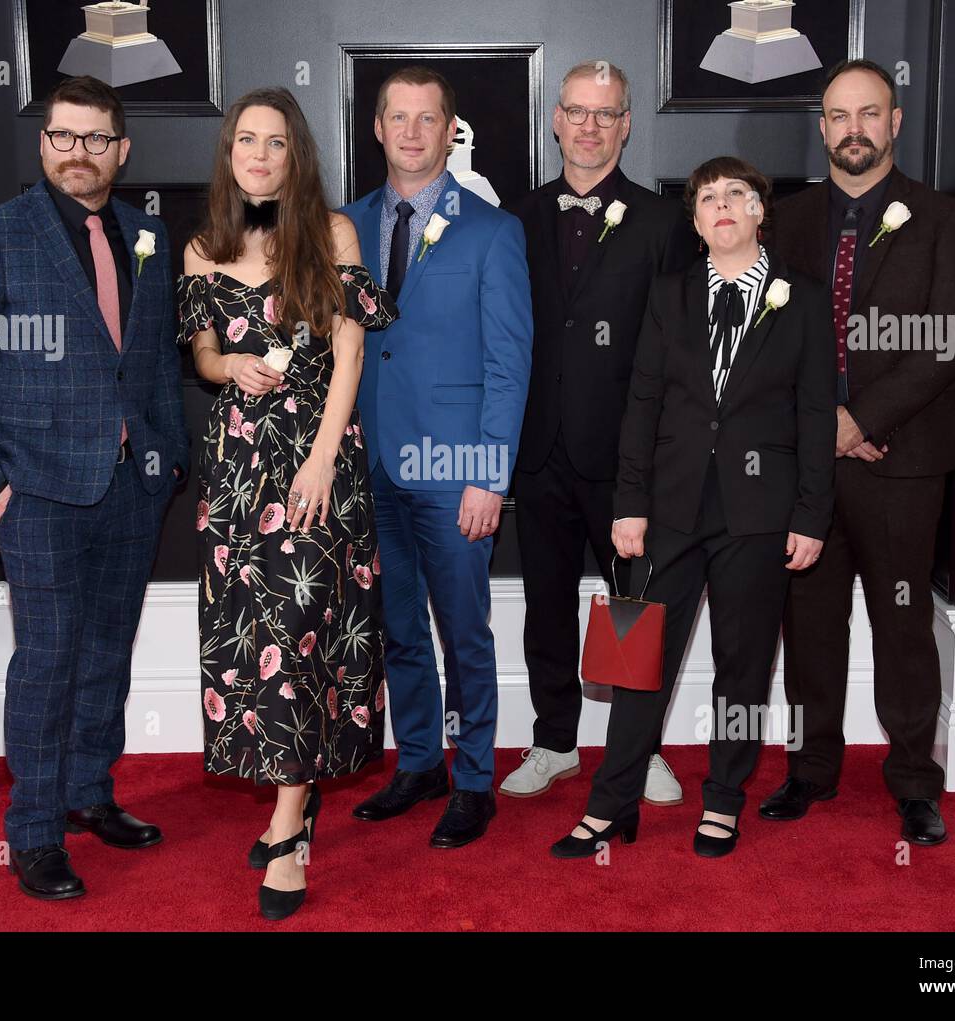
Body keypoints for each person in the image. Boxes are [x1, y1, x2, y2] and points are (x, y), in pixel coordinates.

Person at [0, 76, 190, 900]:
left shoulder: (148, 234)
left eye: (97, 139)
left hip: (130, 489)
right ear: (43, 144)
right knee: (46, 661)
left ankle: (88, 792)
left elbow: (150, 367)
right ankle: (34, 831)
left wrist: (166, 460)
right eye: (64, 137)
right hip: (34, 492)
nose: (80, 153)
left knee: (108, 650)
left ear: (122, 150)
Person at [551, 156, 836, 860]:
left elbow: (814, 414)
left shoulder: (803, 297)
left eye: (737, 193)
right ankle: (611, 803)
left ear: (760, 210)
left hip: (760, 512)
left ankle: (724, 800)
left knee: (742, 664)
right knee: (636, 659)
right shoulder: (669, 293)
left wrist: (810, 513)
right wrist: (628, 503)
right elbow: (643, 401)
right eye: (708, 197)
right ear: (698, 219)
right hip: (667, 510)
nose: (723, 205)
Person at [178, 87, 398, 921]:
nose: (260, 154)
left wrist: (318, 463)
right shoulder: (203, 247)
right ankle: (293, 801)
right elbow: (201, 354)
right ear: (229, 151)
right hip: (236, 472)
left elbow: (349, 359)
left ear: (295, 154)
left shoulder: (332, 234)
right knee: (250, 638)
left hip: (317, 465)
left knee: (300, 638)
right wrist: (228, 369)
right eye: (246, 140)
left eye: (275, 141)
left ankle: (285, 829)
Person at [761, 59, 955, 846]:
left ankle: (916, 782)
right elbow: (765, 337)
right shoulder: (782, 222)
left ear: (894, 123)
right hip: (808, 466)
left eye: (869, 114)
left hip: (902, 463)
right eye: (838, 116)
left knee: (902, 626)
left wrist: (857, 419)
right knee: (810, 625)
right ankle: (810, 770)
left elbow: (948, 339)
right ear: (822, 128)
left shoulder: (944, 219)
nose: (853, 129)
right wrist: (815, 425)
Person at [340, 66, 532, 849]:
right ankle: (418, 761)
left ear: (450, 131)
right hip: (370, 465)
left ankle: (476, 778)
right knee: (396, 629)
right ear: (377, 129)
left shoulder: (492, 230)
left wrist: (491, 473)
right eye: (399, 118)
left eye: (430, 119)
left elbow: (508, 362)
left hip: (456, 472)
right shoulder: (342, 225)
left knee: (463, 629)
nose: (414, 132)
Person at [502, 58, 694, 804]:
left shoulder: (665, 224)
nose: (589, 126)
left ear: (626, 125)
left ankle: (633, 746)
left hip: (626, 460)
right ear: (556, 119)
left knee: (630, 606)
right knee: (545, 605)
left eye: (605, 114)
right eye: (577, 111)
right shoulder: (513, 220)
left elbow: (678, 350)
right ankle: (554, 740)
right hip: (539, 451)